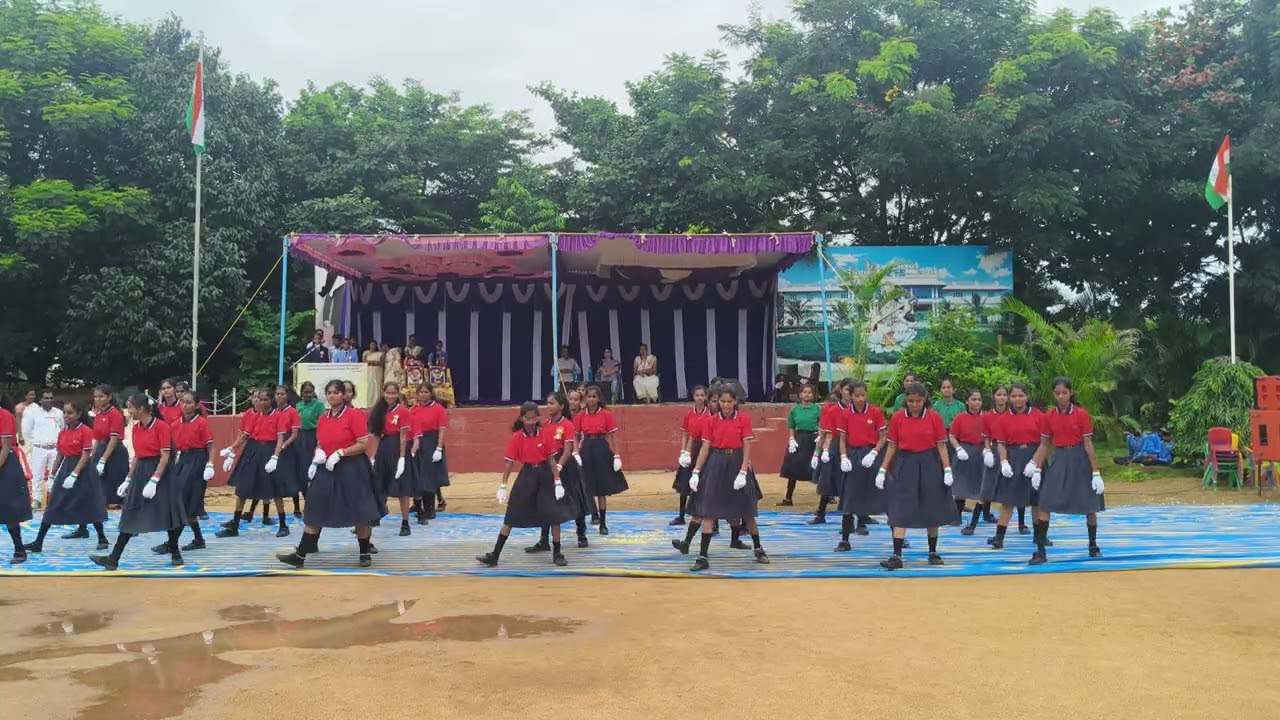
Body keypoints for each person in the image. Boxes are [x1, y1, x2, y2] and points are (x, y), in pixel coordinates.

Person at [275, 379, 382, 569]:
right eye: (329, 393)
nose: (332, 396)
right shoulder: (323, 418)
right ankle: (300, 555)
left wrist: (341, 453)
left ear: (343, 395)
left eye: (336, 392)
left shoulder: (354, 415)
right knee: (315, 506)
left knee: (359, 510)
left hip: (352, 468)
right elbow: (320, 442)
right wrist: (317, 456)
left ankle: (364, 552)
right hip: (327, 467)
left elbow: (363, 444)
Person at [90, 394, 186, 571]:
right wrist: (128, 479)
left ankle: (175, 552)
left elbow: (165, 456)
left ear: (141, 409)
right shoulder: (136, 428)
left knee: (169, 511)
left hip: (161, 473)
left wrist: (155, 480)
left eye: (131, 407)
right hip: (141, 471)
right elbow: (137, 456)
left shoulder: (161, 427)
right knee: (130, 512)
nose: (129, 411)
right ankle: (113, 558)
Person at [681, 385, 769, 571]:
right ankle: (703, 556)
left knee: (747, 509)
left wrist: (743, 471)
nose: (726, 405)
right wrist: (696, 471)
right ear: (717, 402)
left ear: (735, 401)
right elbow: (705, 448)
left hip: (737, 461)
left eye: (730, 401)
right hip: (716, 463)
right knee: (709, 509)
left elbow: (747, 446)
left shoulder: (743, 419)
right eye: (723, 401)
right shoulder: (711, 421)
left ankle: (758, 549)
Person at [477, 401, 575, 568]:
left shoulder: (545, 434)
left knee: (554, 515)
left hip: (545, 475)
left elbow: (551, 460)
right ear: (522, 418)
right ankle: (495, 555)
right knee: (511, 515)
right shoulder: (517, 438)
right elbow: (509, 463)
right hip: (527, 475)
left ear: (538, 418)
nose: (530, 422)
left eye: (533, 418)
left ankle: (557, 553)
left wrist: (557, 481)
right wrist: (503, 485)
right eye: (527, 419)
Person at [875, 382, 957, 570]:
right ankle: (896, 555)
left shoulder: (934, 418)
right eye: (910, 401)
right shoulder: (898, 418)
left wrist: (947, 469)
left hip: (930, 463)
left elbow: (941, 445)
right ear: (906, 400)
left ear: (924, 400)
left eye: (918, 401)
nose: (914, 404)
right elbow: (892, 446)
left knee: (932, 505)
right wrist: (882, 470)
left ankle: (932, 552)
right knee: (900, 506)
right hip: (905, 463)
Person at [1027, 378, 1105, 565]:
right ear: (1053, 394)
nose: (1061, 396)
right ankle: (1040, 550)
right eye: (1057, 393)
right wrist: (1037, 467)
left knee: (1089, 504)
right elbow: (1045, 444)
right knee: (1045, 503)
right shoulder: (1048, 416)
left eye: (1064, 392)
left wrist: (1095, 471)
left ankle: (1093, 545)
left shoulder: (1081, 414)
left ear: (1070, 393)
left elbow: (1088, 443)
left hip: (1080, 459)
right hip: (1060, 458)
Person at [24, 400, 109, 554]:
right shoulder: (63, 432)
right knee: (54, 503)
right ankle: (38, 542)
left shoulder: (85, 430)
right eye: (64, 412)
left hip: (84, 471)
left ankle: (102, 538)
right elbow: (60, 454)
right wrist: (52, 474)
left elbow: (85, 455)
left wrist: (75, 474)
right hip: (66, 468)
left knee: (89, 503)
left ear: (79, 414)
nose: (66, 415)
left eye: (70, 413)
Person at [217, 389, 290, 538]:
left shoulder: (278, 416)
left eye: (265, 399)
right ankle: (235, 525)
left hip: (269, 450)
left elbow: (280, 438)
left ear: (271, 400)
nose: (261, 402)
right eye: (259, 399)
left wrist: (275, 457)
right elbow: (245, 435)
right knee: (243, 488)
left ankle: (283, 525)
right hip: (253, 451)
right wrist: (232, 448)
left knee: (275, 490)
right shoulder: (255, 416)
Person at [150, 392, 215, 554]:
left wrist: (210, 464)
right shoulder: (175, 424)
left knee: (187, 503)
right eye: (183, 402)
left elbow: (211, 446)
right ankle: (198, 539)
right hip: (182, 461)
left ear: (196, 405)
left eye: (189, 402)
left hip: (198, 461)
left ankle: (172, 543)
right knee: (181, 502)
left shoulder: (201, 423)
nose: (185, 406)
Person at [527, 392, 591, 552]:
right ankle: (544, 540)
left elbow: (568, 449)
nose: (548, 406)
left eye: (552, 403)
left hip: (566, 467)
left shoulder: (568, 424)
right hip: (548, 466)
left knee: (574, 499)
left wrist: (560, 466)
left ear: (561, 406)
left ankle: (581, 534)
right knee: (546, 501)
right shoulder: (544, 425)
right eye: (547, 403)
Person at [835, 380, 888, 548]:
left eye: (863, 395)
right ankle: (845, 539)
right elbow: (842, 439)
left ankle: (898, 537)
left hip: (872, 454)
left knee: (883, 494)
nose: (860, 399)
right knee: (850, 495)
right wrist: (844, 457)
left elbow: (883, 436)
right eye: (856, 396)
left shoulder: (875, 412)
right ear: (850, 396)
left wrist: (874, 452)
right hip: (853, 454)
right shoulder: (845, 414)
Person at [989, 383, 1041, 548]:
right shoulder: (1004, 419)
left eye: (1021, 395)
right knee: (1008, 500)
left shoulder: (1038, 415)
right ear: (1009, 398)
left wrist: (1035, 462)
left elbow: (1045, 442)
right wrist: (1004, 462)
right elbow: (1001, 443)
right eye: (1014, 396)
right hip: (1013, 457)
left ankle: (1039, 537)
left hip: (1034, 455)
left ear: (1027, 396)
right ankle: (999, 537)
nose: (1017, 399)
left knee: (1036, 500)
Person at [576, 386, 628, 535]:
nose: (591, 399)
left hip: (601, 448)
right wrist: (575, 452)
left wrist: (617, 455)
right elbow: (576, 435)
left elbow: (613, 436)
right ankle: (588, 519)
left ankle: (603, 524)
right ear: (585, 398)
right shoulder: (580, 415)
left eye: (594, 396)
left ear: (599, 398)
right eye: (589, 396)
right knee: (585, 487)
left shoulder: (606, 414)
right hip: (586, 448)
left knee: (601, 489)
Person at [369, 382, 415, 536]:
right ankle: (375, 516)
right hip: (383, 449)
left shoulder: (403, 411)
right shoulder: (379, 411)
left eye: (393, 393)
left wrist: (402, 458)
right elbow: (376, 436)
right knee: (377, 484)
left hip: (397, 448)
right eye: (387, 393)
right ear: (383, 393)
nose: (390, 396)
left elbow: (403, 437)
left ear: (398, 394)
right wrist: (373, 457)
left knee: (402, 487)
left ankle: (405, 523)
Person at [809, 380, 851, 525]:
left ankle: (862, 519)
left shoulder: (858, 410)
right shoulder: (832, 410)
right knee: (828, 479)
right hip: (834, 446)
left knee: (853, 482)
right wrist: (819, 453)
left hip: (853, 446)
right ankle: (821, 513)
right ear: (841, 390)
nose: (849, 393)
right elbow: (825, 434)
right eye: (847, 389)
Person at [950, 389, 990, 535]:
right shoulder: (960, 417)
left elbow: (991, 435)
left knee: (983, 484)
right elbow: (952, 436)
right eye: (973, 399)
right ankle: (957, 515)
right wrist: (958, 448)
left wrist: (988, 449)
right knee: (961, 483)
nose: (976, 402)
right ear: (967, 401)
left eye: (979, 399)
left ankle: (983, 515)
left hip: (981, 451)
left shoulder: (986, 417)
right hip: (964, 451)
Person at [0, 392, 33, 563]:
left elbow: (5, 447)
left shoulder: (4, 415)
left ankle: (19, 550)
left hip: (5, 463)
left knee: (9, 507)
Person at [671, 386, 710, 525]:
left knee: (706, 485)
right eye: (697, 395)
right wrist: (683, 451)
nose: (700, 398)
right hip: (690, 449)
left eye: (702, 395)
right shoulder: (689, 414)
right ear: (693, 397)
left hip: (705, 447)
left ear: (706, 397)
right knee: (684, 483)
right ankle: (681, 516)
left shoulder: (710, 414)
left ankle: (711, 521)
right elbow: (685, 433)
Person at [409, 385, 448, 524]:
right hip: (416, 442)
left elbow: (442, 430)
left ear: (431, 394)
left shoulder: (438, 409)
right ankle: (418, 505)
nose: (423, 394)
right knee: (417, 474)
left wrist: (439, 448)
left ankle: (430, 510)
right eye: (421, 392)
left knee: (429, 477)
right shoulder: (413, 409)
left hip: (431, 442)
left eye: (426, 392)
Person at [21, 388, 63, 511]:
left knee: (55, 474)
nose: (49, 400)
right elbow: (26, 430)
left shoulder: (58, 413)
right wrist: (38, 441)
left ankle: (54, 499)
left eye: (51, 398)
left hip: (55, 449)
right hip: (39, 448)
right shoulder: (32, 413)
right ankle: (37, 500)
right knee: (37, 475)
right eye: (46, 398)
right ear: (40, 400)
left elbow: (63, 428)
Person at [778, 384, 820, 506]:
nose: (807, 394)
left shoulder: (818, 409)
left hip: (813, 440)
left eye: (809, 392)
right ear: (800, 394)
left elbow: (822, 424)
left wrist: (820, 436)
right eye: (804, 392)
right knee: (793, 467)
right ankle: (788, 498)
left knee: (819, 467)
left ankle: (828, 496)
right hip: (799, 439)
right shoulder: (794, 410)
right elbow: (791, 426)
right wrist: (792, 439)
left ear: (813, 395)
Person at [90, 385, 129, 512]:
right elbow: (97, 439)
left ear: (109, 397)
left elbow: (114, 439)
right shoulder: (99, 414)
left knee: (113, 491)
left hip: (114, 452)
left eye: (101, 397)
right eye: (96, 397)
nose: (98, 399)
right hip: (101, 449)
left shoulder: (114, 414)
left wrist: (103, 459)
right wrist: (93, 456)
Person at [977, 386, 1009, 526]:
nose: (1001, 397)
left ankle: (1021, 523)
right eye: (998, 394)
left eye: (1004, 395)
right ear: (993, 396)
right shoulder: (988, 416)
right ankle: (978, 519)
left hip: (1011, 449)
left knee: (1013, 484)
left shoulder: (1012, 414)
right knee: (988, 484)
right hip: (994, 448)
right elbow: (986, 436)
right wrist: (988, 450)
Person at [293, 381, 326, 515]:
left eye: (310, 392)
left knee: (313, 471)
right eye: (305, 392)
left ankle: (315, 504)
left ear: (314, 393)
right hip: (300, 439)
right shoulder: (298, 405)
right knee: (300, 472)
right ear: (301, 393)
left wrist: (320, 441)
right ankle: (299, 505)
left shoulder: (319, 405)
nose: (308, 394)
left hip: (314, 437)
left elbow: (323, 423)